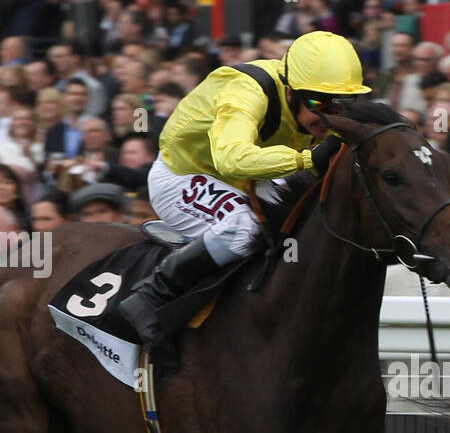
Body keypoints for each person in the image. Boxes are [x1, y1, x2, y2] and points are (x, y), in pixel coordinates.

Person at [119, 31, 366, 352]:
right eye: (318, 103)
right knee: (242, 229)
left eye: (340, 105)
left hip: (246, 179)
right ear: (290, 91)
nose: (328, 116)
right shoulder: (246, 90)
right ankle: (151, 294)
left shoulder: (312, 106)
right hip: (184, 174)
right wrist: (306, 159)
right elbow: (231, 157)